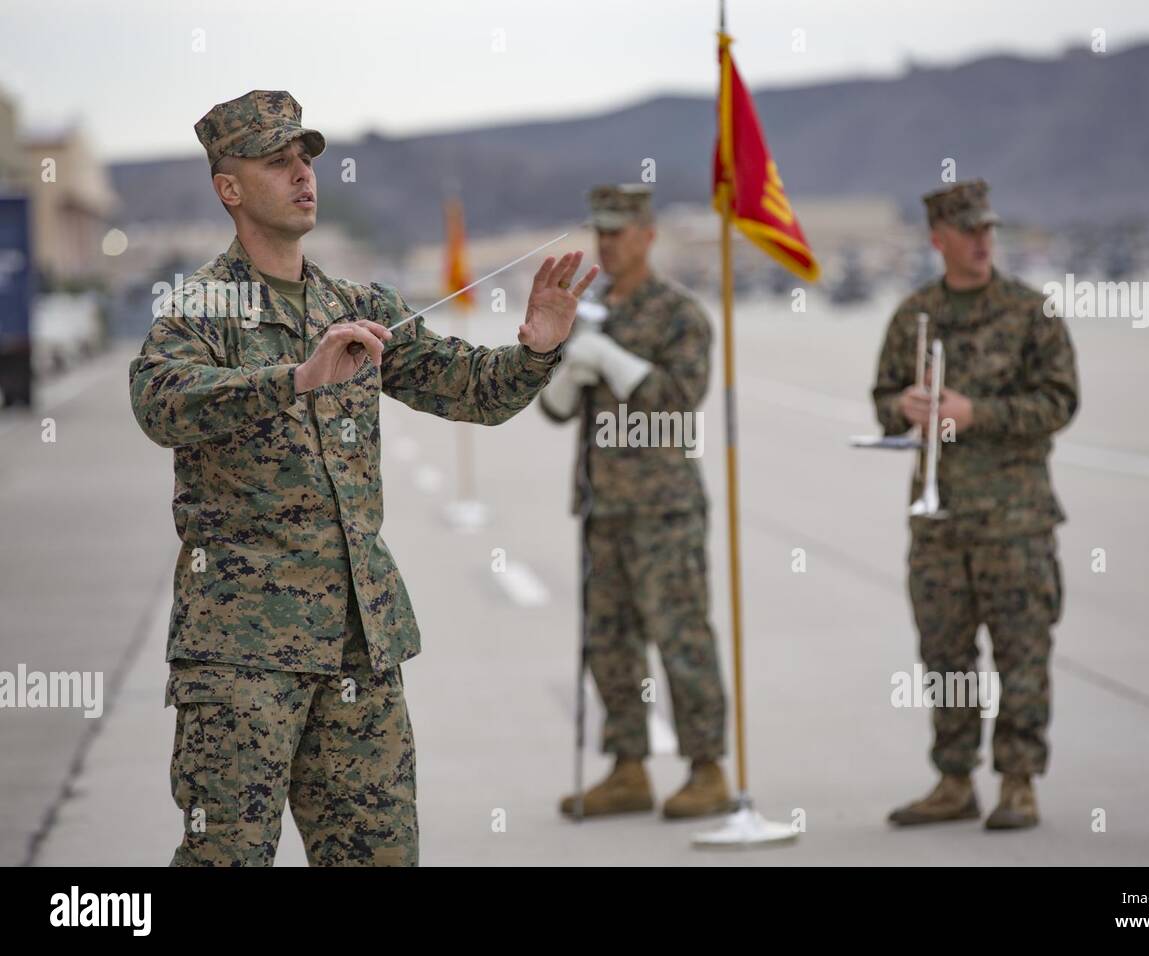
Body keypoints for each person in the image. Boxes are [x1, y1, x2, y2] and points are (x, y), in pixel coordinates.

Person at [128, 89, 596, 865]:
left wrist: (536, 351)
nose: (303, 174)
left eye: (306, 158)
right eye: (277, 162)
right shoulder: (200, 310)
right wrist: (295, 377)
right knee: (227, 857)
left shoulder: (356, 304)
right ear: (230, 188)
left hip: (358, 645)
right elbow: (159, 403)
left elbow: (471, 390)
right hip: (244, 655)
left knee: (379, 856)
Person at [871, 179, 1078, 830]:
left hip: (1015, 518)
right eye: (969, 230)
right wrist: (903, 410)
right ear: (939, 240)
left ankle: (1019, 781)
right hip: (940, 523)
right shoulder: (914, 315)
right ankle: (953, 778)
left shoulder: (1030, 311)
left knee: (1021, 650)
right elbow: (882, 399)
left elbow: (1059, 402)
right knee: (945, 653)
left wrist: (974, 413)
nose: (983, 240)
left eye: (988, 229)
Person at [540, 184, 732, 819]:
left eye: (620, 231)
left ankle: (707, 769)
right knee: (610, 642)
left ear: (648, 235)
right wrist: (570, 369)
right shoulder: (590, 312)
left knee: (681, 638)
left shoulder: (679, 314)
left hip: (664, 507)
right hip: (603, 508)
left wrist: (617, 363)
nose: (609, 243)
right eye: (602, 232)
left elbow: (681, 400)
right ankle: (627, 767)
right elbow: (553, 409)